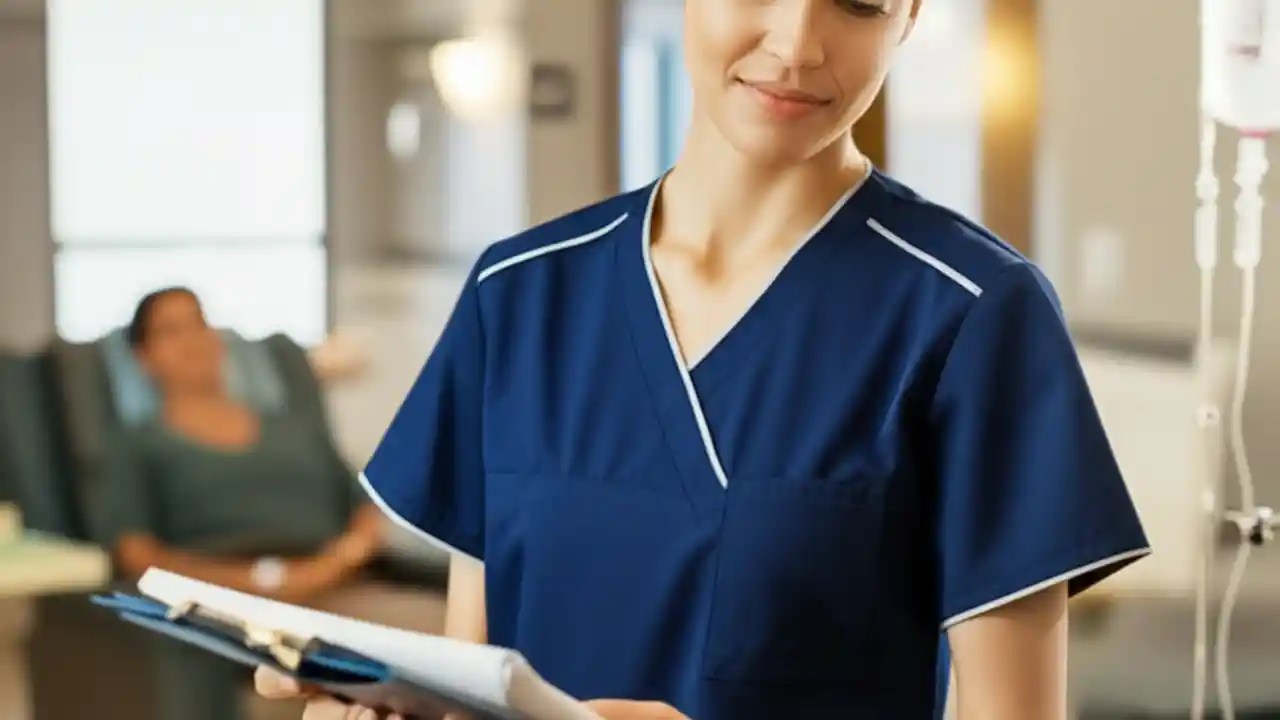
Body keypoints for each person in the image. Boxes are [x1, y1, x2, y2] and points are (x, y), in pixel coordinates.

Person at [258, 0, 1149, 718]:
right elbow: (474, 675)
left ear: (909, 15)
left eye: (860, 2)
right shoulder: (521, 294)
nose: (798, 41)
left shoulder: (972, 313)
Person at [98, 287, 445, 720]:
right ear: (142, 357)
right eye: (171, 330)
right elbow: (136, 553)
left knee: (450, 641)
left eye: (200, 322)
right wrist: (260, 584)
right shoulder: (138, 445)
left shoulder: (291, 426)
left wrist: (336, 562)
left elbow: (366, 505)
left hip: (342, 583)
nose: (193, 339)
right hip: (234, 608)